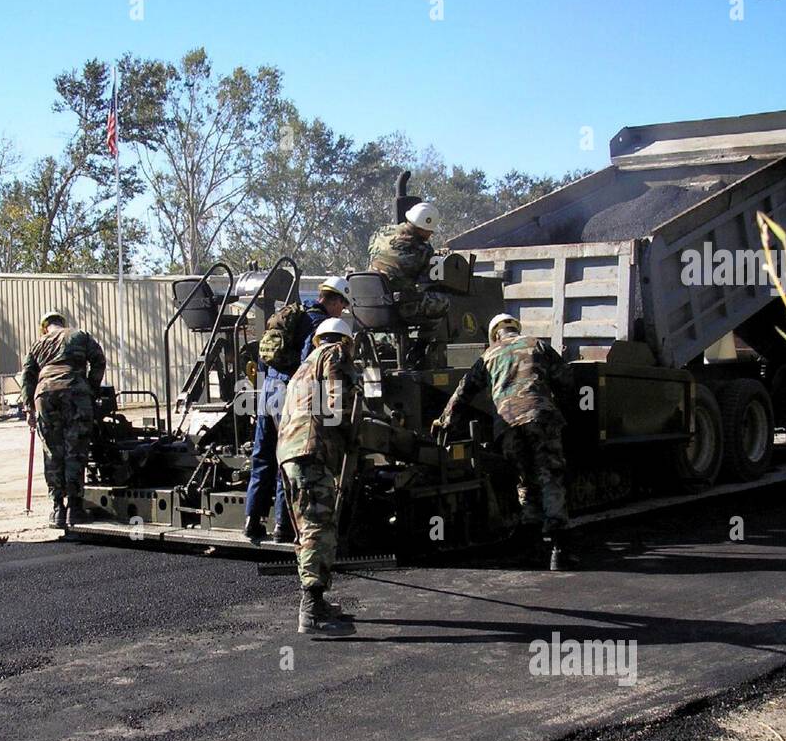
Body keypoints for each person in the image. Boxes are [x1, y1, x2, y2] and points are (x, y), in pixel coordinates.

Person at [432, 313, 574, 568]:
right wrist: (556, 406)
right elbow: (566, 380)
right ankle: (558, 549)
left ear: (494, 334)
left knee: (525, 480)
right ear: (515, 329)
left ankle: (533, 547)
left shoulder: (488, 355)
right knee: (550, 476)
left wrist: (444, 423)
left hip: (507, 426)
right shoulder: (537, 344)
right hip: (540, 418)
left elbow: (462, 393)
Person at [244, 275, 352, 543]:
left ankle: (252, 521)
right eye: (342, 305)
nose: (341, 312)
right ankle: (283, 526)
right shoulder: (319, 323)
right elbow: (309, 362)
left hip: (267, 390)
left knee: (262, 457)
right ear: (334, 300)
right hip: (288, 394)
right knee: (287, 458)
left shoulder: (294, 311)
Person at [277, 317, 362, 636]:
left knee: (308, 527)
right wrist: (351, 436)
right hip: (313, 451)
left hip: (290, 453)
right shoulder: (335, 354)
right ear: (345, 341)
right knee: (318, 527)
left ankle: (318, 602)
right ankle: (311, 610)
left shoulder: (302, 368)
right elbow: (337, 405)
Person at [22, 310, 107, 530]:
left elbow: (28, 377)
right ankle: (75, 508)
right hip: (75, 392)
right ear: (62, 323)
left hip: (45, 395)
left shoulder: (37, 344)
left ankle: (58, 508)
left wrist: (29, 408)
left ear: (45, 327)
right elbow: (99, 360)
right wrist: (91, 388)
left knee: (52, 452)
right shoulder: (79, 335)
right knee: (75, 449)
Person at [367, 202, 449, 364]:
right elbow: (427, 282)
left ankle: (384, 343)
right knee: (442, 302)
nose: (431, 234)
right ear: (425, 229)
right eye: (430, 231)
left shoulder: (380, 233)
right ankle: (418, 350)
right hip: (398, 307)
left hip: (370, 305)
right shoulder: (423, 250)